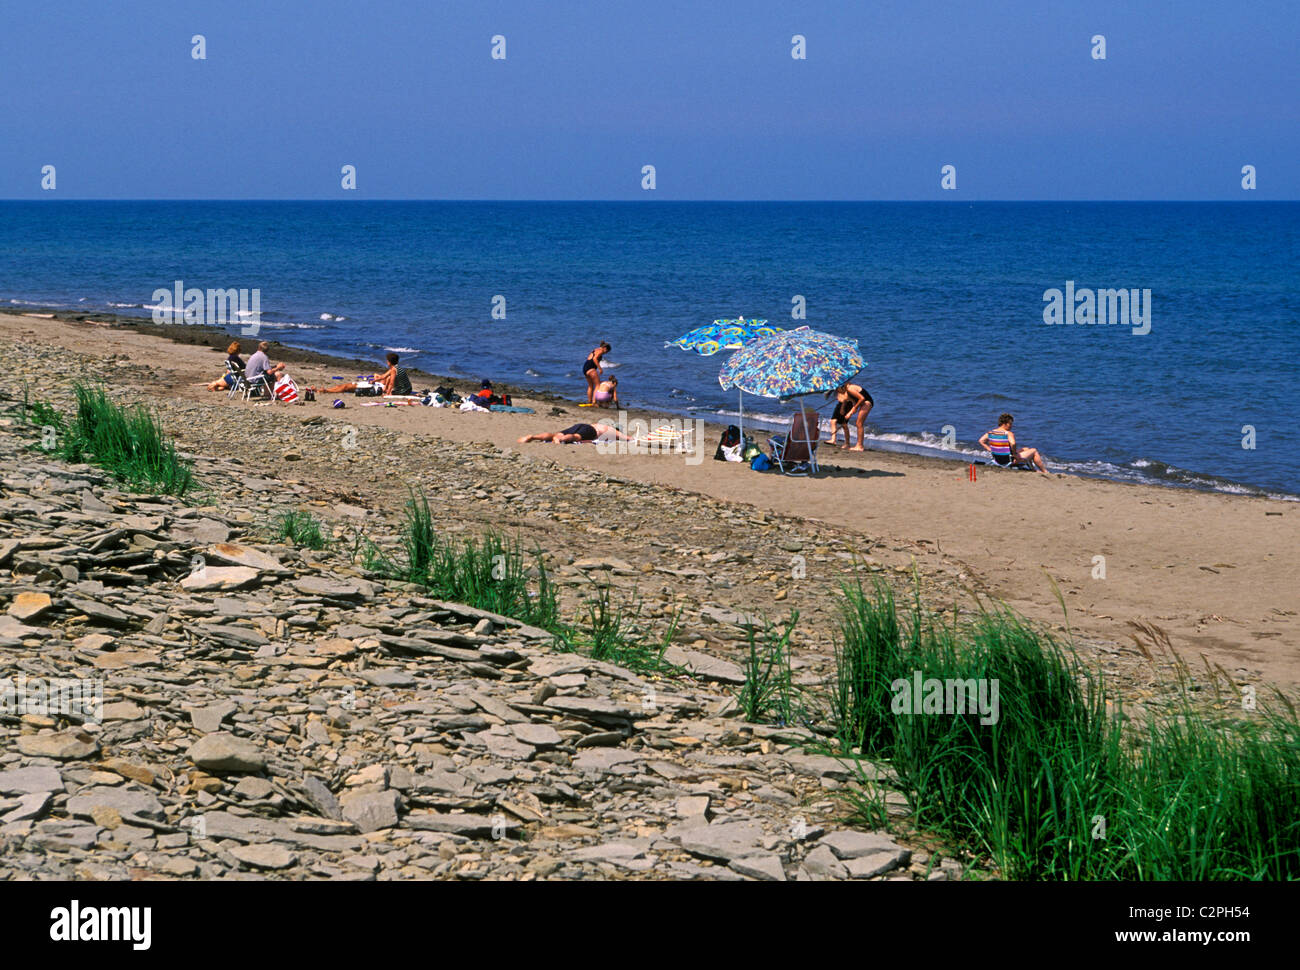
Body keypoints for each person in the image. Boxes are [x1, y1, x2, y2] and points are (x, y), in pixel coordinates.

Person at [979, 413, 1048, 473]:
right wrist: (1015, 454)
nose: (1011, 426)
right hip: (1009, 461)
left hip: (997, 460)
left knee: (1026, 449)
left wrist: (990, 450)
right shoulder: (1008, 433)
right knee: (1034, 451)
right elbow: (1013, 443)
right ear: (1005, 424)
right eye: (1010, 424)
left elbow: (981, 441)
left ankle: (1033, 469)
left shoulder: (991, 432)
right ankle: (1045, 471)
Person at [828, 383, 873, 450]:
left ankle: (860, 446)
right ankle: (858, 445)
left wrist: (853, 409)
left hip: (867, 403)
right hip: (862, 403)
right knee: (858, 423)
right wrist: (850, 413)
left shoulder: (850, 389)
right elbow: (854, 403)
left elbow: (862, 398)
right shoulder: (848, 393)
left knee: (859, 423)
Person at [518, 421, 633, 445]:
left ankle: (533, 437)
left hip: (580, 424)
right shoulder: (611, 430)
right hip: (590, 431)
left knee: (555, 434)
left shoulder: (598, 423)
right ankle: (561, 440)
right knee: (576, 437)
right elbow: (627, 438)